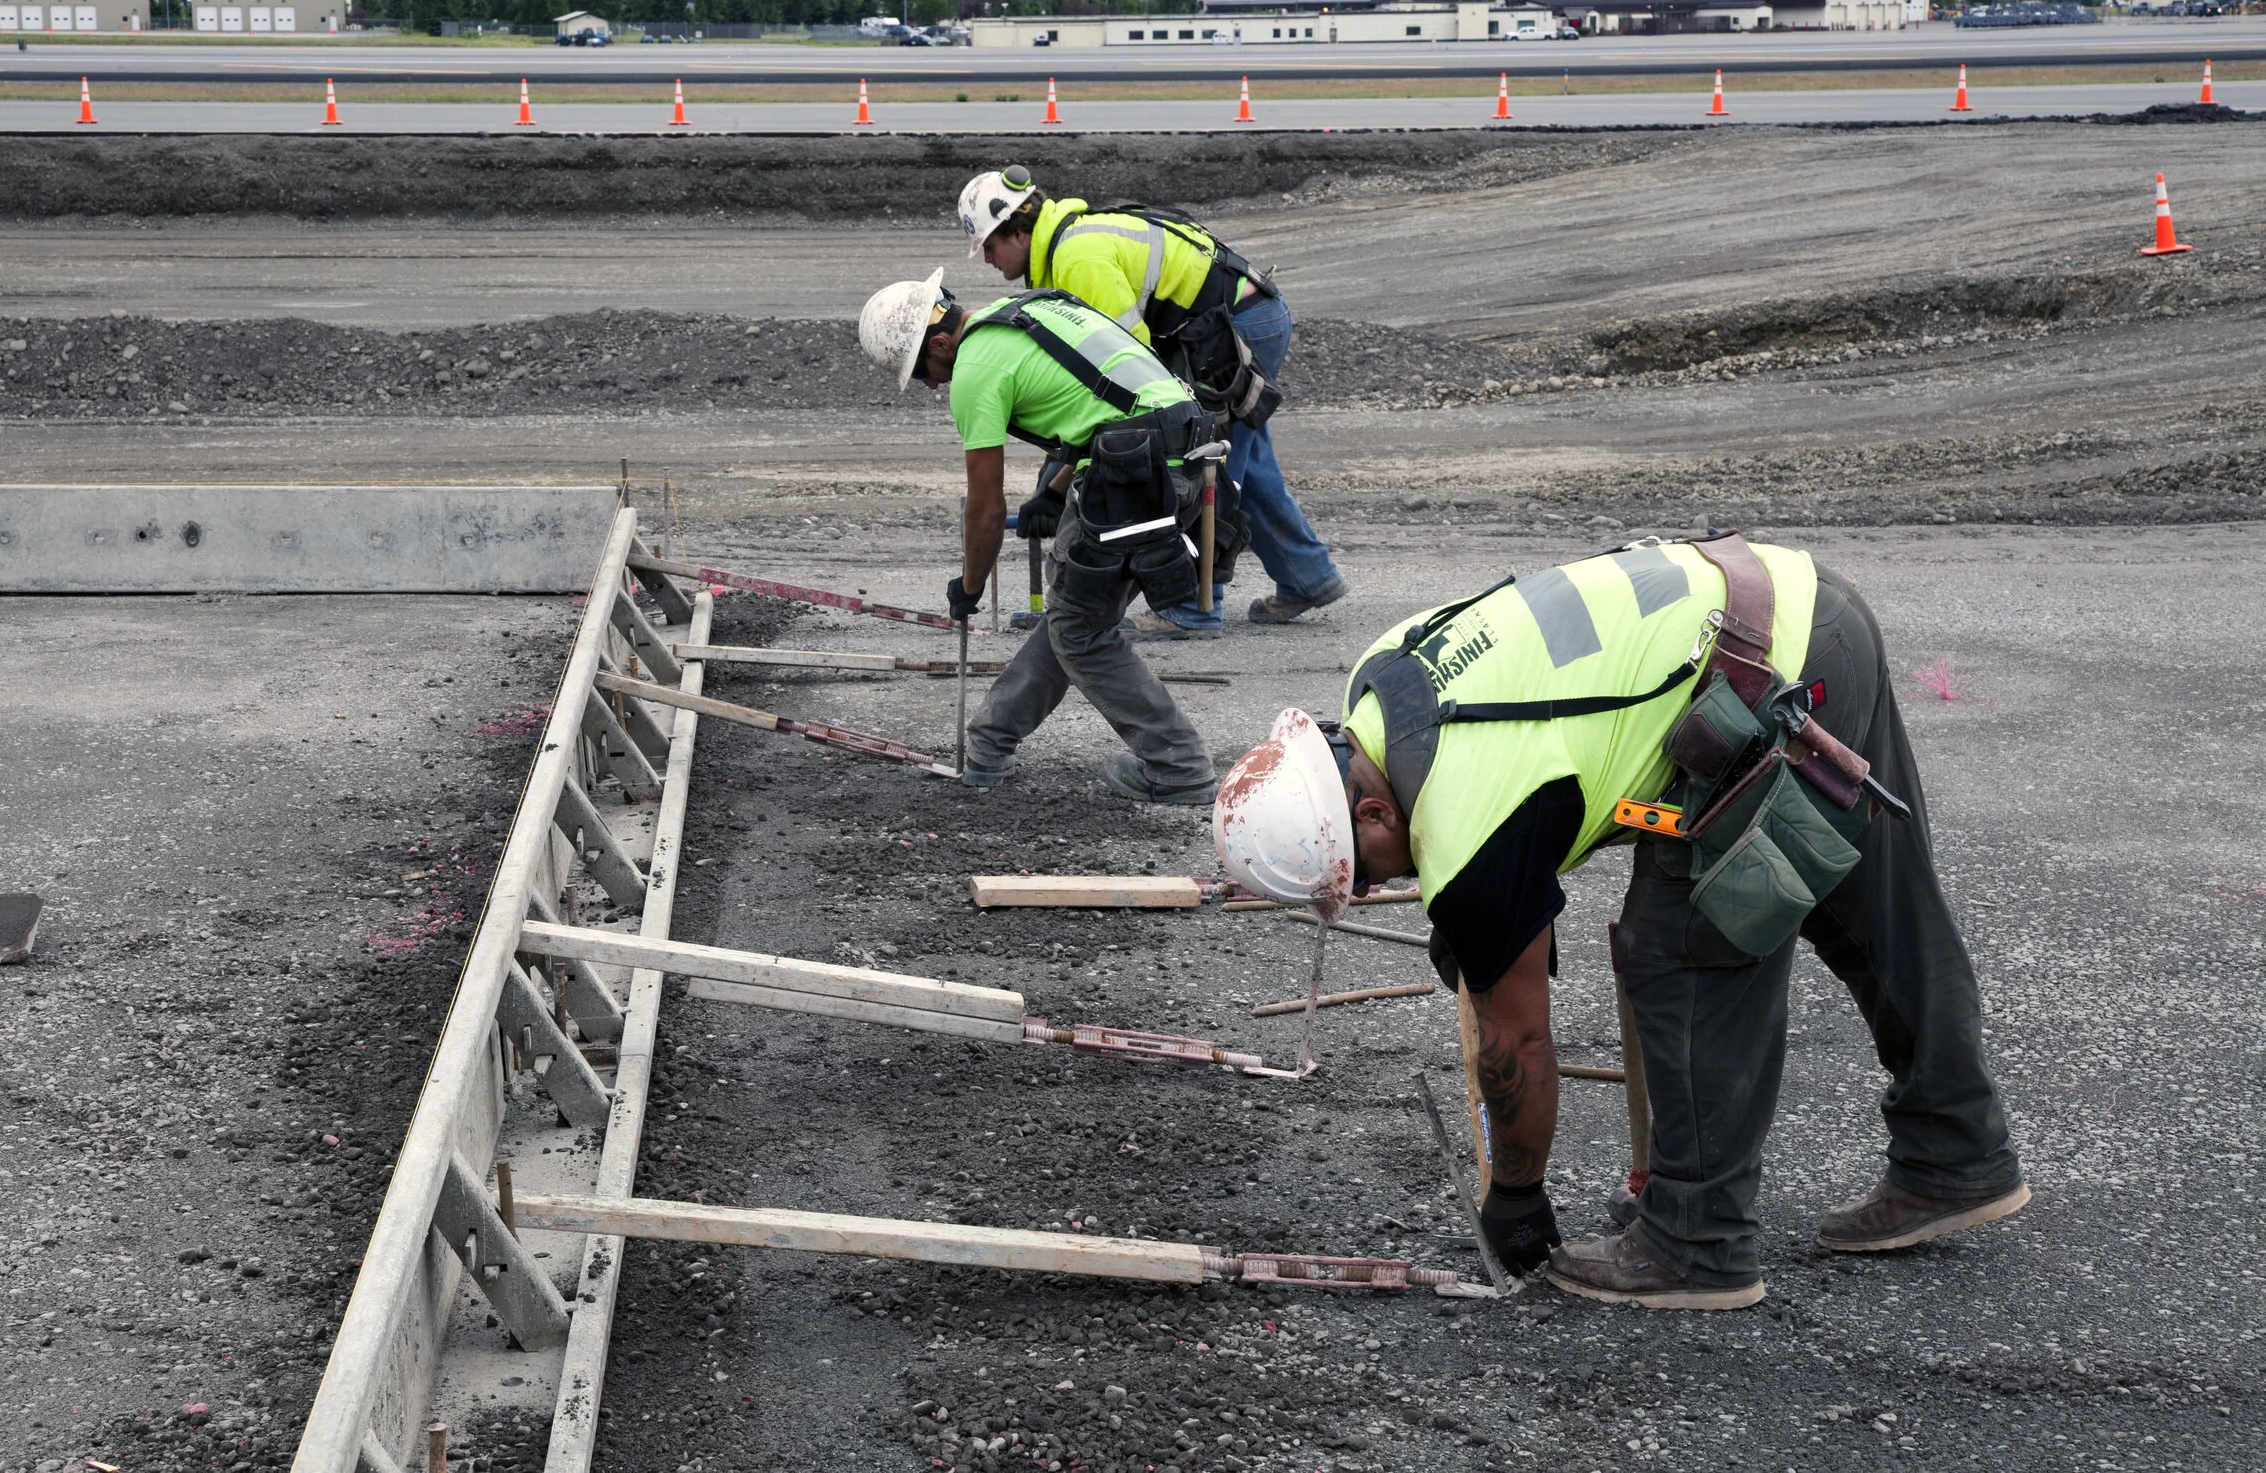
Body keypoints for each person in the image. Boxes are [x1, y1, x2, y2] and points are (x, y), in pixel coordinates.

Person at [1211, 533, 2028, 1309]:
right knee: (1876, 901)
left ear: (1375, 812)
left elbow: (1521, 1043)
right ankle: (1956, 1148)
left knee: (1682, 947)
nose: (1374, 889)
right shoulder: (1379, 680)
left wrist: (1517, 1196)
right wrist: (1477, 917)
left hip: (1759, 678)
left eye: (1362, 875)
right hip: (1802, 605)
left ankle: (1697, 1241)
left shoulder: (1463, 817)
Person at [856, 266, 1234, 806]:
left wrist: (970, 584)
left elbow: (986, 509)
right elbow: (1104, 400)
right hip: (1185, 455)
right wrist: (1055, 491)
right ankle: (989, 745)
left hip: (1140, 477)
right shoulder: (1028, 311)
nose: (933, 385)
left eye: (922, 373)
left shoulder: (975, 370)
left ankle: (1180, 768)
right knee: (1074, 616)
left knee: (1080, 632)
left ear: (940, 343)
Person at [958, 166, 1345, 641]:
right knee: (1242, 461)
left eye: (989, 245)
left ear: (1017, 230)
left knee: (1198, 460)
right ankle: (1308, 575)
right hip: (1238, 320)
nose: (987, 259)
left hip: (1231, 334)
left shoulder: (1079, 259)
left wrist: (1057, 484)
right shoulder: (1070, 244)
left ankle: (1193, 607)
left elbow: (1133, 378)